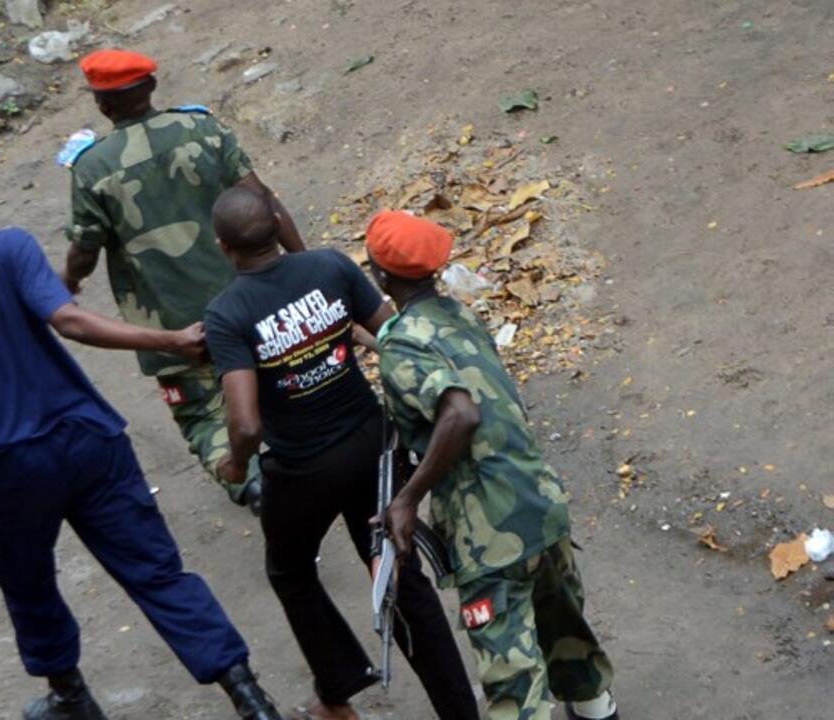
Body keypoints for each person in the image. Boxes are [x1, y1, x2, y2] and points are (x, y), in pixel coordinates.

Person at [0, 153, 283, 720]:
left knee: (28, 582)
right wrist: (167, 340)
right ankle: (248, 695)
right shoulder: (12, 247)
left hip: (14, 467)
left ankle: (70, 696)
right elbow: (69, 321)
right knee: (158, 572)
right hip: (91, 438)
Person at [202, 188, 481, 720]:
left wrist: (237, 463)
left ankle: (338, 689)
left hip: (302, 469)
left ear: (223, 247)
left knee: (289, 570)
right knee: (399, 576)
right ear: (278, 223)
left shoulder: (227, 312)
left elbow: (245, 423)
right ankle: (459, 712)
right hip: (372, 445)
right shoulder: (329, 265)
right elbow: (393, 333)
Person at [366, 210, 619, 720]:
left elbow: (460, 412)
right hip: (538, 499)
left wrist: (408, 498)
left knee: (511, 673)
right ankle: (597, 707)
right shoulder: (458, 315)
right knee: (560, 619)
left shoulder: (400, 348)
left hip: (488, 528)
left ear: (380, 276)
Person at [61, 48, 307, 515]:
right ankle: (299, 459)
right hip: (250, 299)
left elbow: (84, 252)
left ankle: (252, 485)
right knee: (276, 378)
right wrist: (303, 266)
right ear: (151, 88)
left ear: (101, 104)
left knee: (202, 412)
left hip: (172, 327)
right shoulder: (204, 128)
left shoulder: (92, 168)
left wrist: (66, 282)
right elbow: (263, 200)